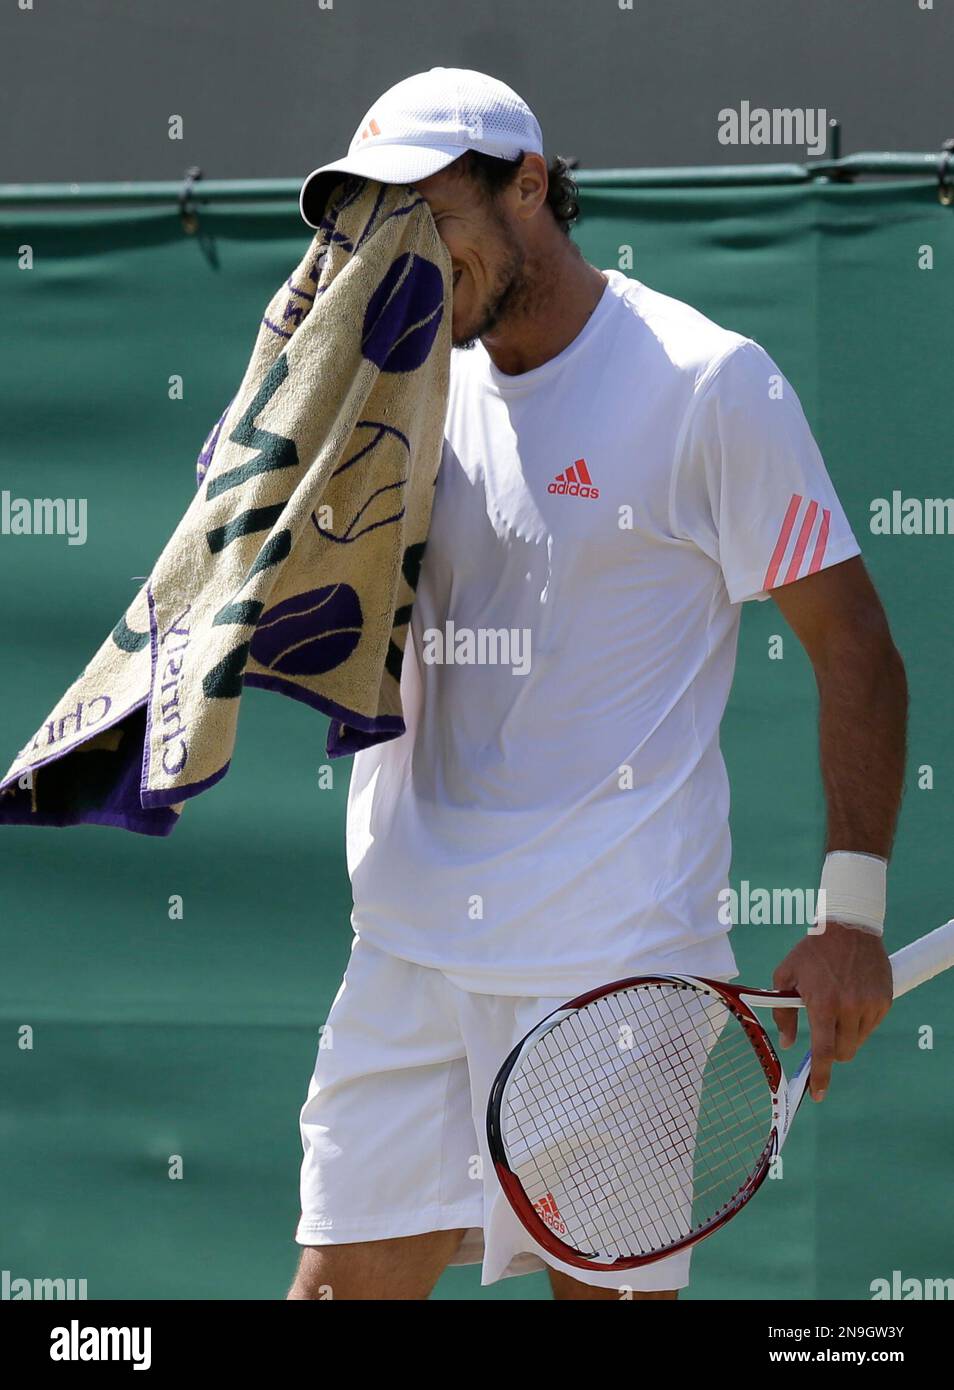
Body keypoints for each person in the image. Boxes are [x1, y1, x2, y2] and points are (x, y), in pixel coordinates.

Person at [288, 67, 907, 1301]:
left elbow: (857, 650)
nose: (404, 253)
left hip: (614, 968)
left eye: (429, 215)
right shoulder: (394, 384)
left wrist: (852, 915)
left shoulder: (708, 381)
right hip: (408, 946)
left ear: (529, 188)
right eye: (378, 226)